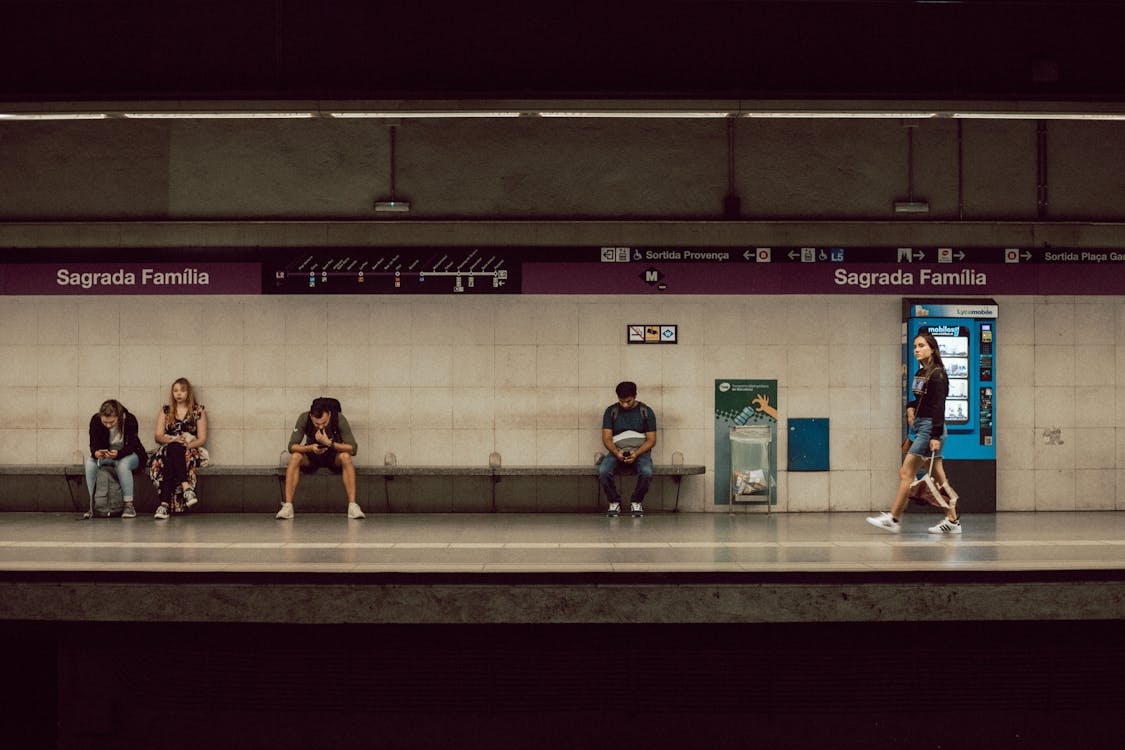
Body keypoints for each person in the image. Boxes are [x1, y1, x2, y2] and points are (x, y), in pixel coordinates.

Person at [867, 331, 962, 534]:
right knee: (940, 478)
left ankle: (893, 518)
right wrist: (910, 408)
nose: (917, 350)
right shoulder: (921, 373)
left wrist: (935, 436)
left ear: (932, 349)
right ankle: (953, 521)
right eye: (915, 347)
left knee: (906, 473)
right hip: (920, 427)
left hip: (929, 429)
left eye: (922, 346)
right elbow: (918, 400)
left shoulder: (937, 374)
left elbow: (938, 406)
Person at [277, 397, 364, 520]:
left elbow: (353, 448)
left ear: (329, 414)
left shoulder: (338, 418)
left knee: (346, 456)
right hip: (312, 455)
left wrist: (329, 443)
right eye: (317, 424)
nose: (321, 426)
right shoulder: (304, 418)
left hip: (333, 455)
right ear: (311, 416)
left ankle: (353, 506)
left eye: (324, 423)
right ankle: (288, 506)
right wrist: (311, 448)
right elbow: (292, 446)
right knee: (295, 456)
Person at [148, 378, 208, 520]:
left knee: (170, 459)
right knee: (172, 450)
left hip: (190, 448)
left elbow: (202, 438)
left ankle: (164, 505)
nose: (178, 394)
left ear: (189, 392)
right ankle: (187, 488)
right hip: (169, 445)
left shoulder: (197, 410)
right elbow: (158, 436)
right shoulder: (166, 410)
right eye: (175, 391)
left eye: (182, 390)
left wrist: (186, 445)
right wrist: (173, 440)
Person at [599, 381, 657, 517]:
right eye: (621, 401)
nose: (625, 405)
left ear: (635, 396)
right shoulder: (611, 411)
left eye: (629, 401)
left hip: (640, 451)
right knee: (603, 471)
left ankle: (636, 501)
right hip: (617, 450)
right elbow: (607, 438)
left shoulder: (646, 411)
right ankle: (614, 502)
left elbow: (651, 440)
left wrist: (636, 453)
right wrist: (616, 452)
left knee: (647, 472)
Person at [85, 399, 147, 518]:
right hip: (108, 455)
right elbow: (93, 444)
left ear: (118, 416)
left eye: (112, 422)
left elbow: (132, 446)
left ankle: (129, 505)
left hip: (130, 455)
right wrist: (96, 453)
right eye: (105, 422)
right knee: (90, 463)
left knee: (123, 464)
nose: (108, 425)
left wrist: (118, 454)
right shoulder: (96, 420)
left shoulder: (129, 420)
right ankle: (92, 506)